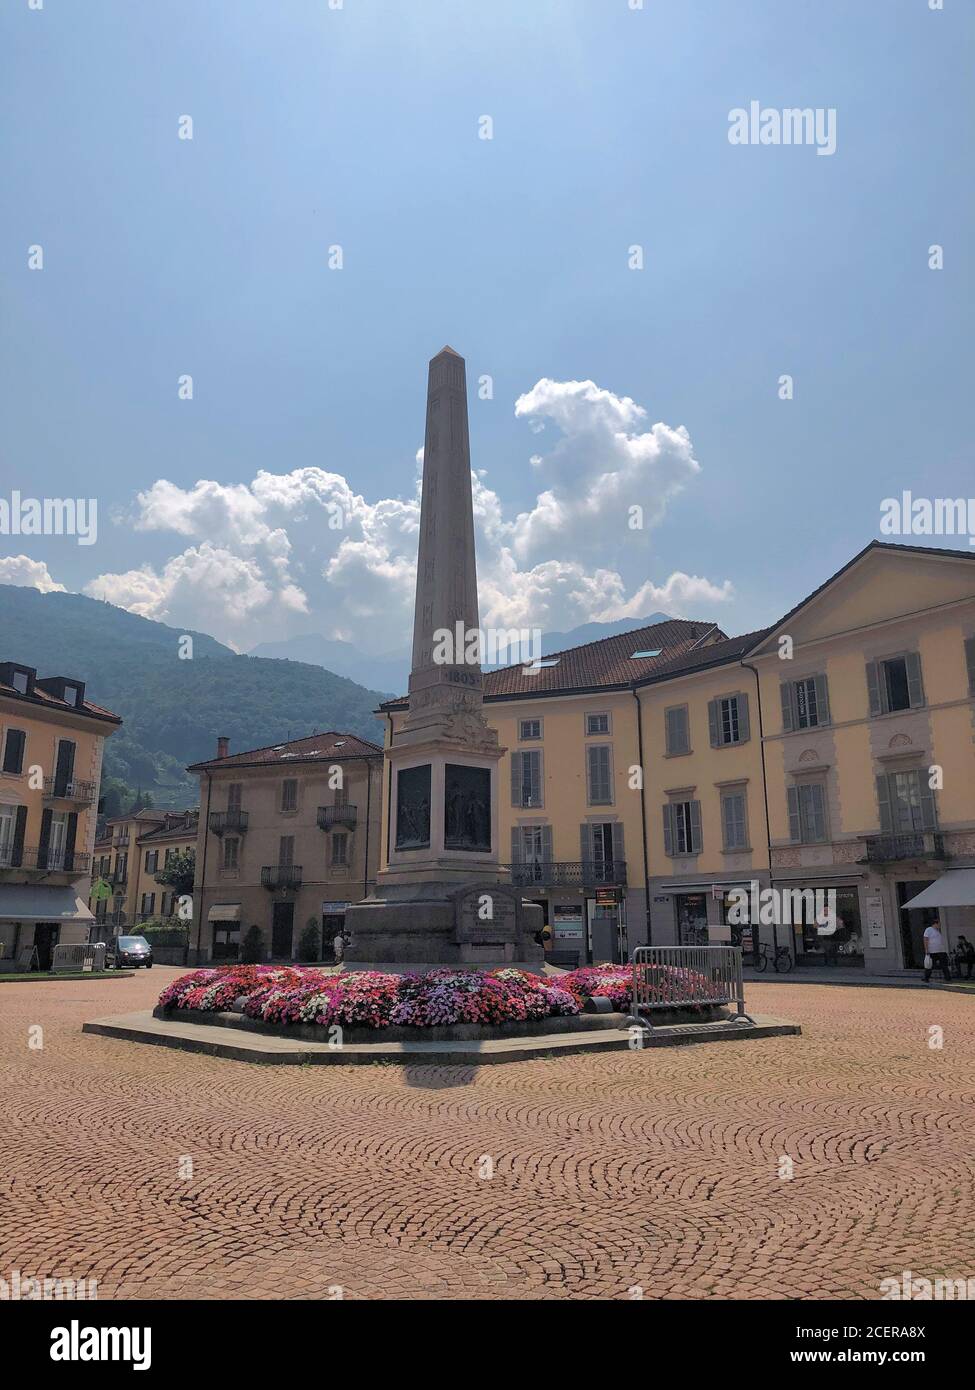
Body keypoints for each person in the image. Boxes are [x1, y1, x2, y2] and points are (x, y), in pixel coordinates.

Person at [922, 917, 951, 984]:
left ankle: (948, 977)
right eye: (939, 924)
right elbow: (925, 939)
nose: (940, 925)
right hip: (932, 951)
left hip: (940, 951)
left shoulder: (937, 931)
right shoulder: (929, 930)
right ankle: (926, 978)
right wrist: (926, 950)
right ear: (935, 923)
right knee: (929, 965)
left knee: (944, 964)